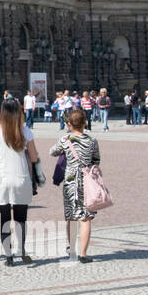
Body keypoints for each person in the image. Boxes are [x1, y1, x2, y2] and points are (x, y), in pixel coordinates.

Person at [0, 98, 43, 266]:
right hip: (21, 178)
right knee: (21, 218)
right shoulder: (25, 130)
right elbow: (34, 156)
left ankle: (8, 256)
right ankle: (21, 249)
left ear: (1, 112)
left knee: (4, 219)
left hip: (1, 179)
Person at [50, 107, 100, 264]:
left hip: (71, 180)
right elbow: (97, 160)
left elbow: (52, 151)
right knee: (85, 218)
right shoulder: (92, 140)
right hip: (87, 181)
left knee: (71, 216)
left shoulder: (65, 140)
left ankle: (72, 250)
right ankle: (83, 254)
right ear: (85, 123)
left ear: (69, 124)